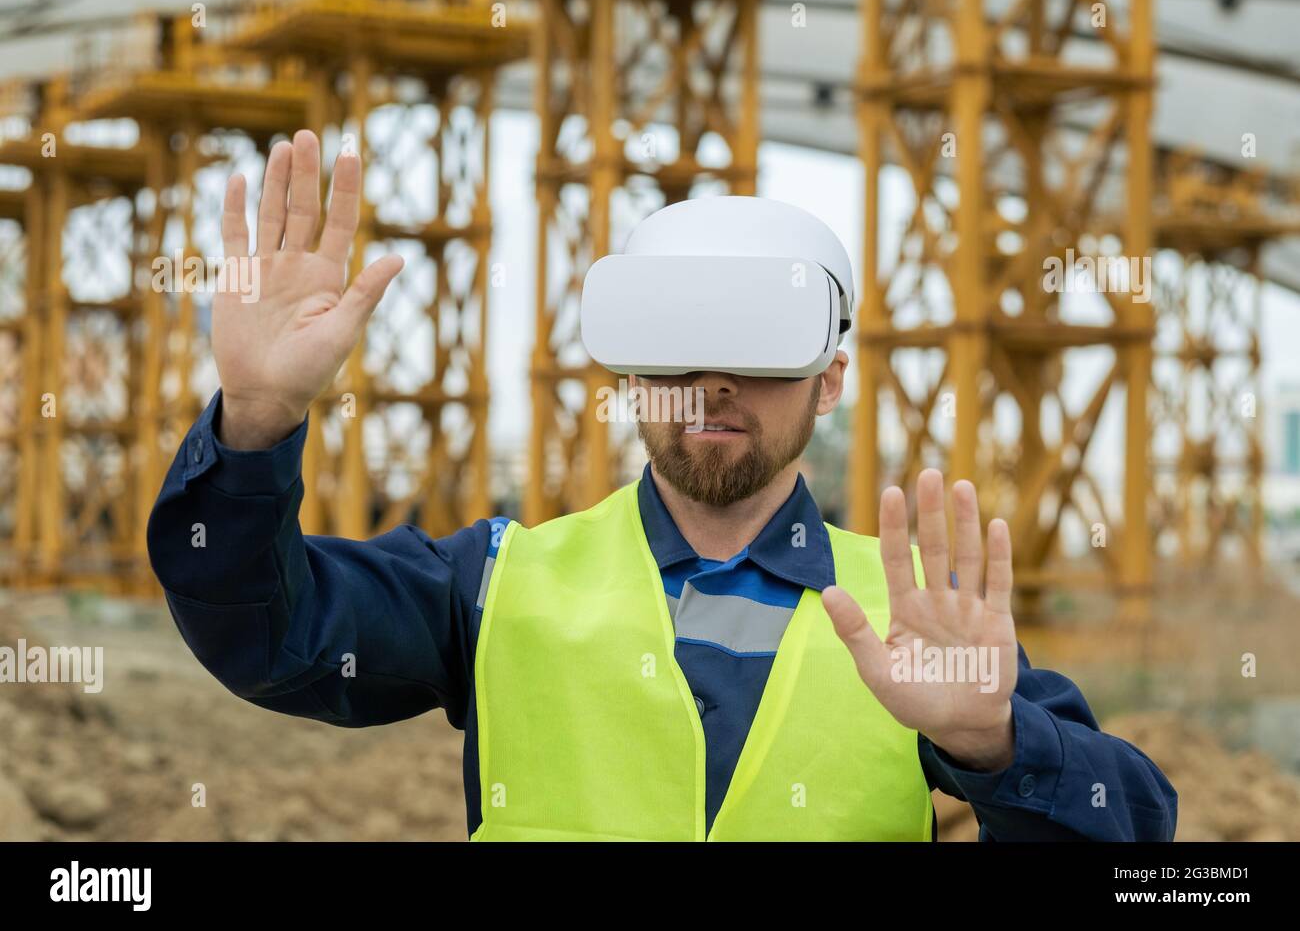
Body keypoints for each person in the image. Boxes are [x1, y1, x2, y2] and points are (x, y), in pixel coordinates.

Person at [147, 129, 1177, 841]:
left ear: (829, 380)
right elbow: (265, 636)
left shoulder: (913, 618)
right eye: (678, 343)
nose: (714, 381)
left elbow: (1134, 833)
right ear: (632, 373)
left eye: (759, 347)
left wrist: (993, 742)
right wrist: (257, 419)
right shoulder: (493, 582)